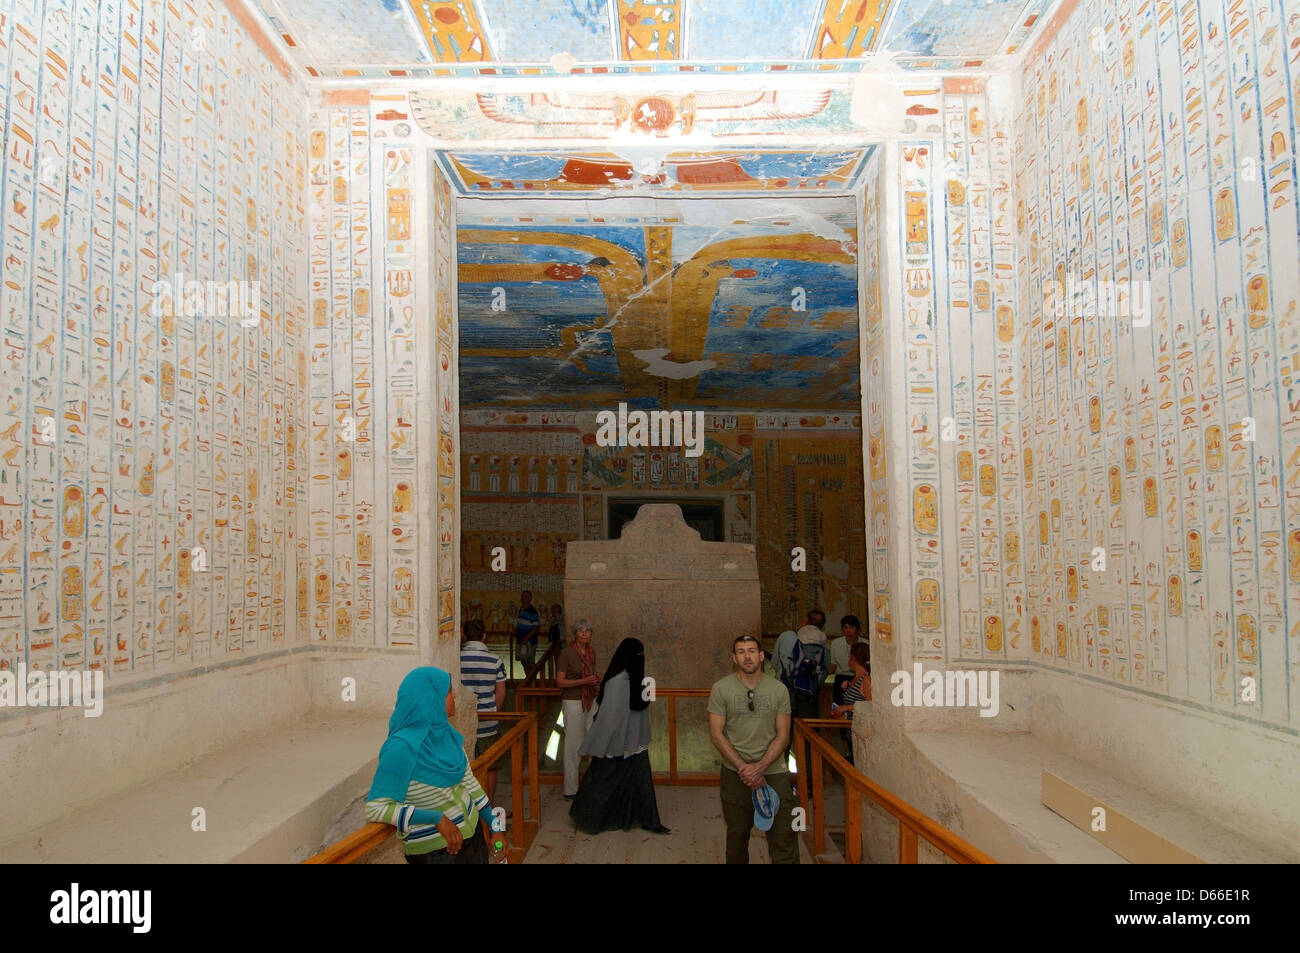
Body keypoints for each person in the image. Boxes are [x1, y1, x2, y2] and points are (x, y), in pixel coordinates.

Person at [365, 667, 499, 864]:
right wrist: (435, 818)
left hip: (473, 839)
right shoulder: (401, 748)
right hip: (435, 852)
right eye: (447, 693)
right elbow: (376, 808)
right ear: (429, 699)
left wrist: (496, 828)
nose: (454, 696)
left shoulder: (447, 736)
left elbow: (471, 786)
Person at [707, 635, 798, 865]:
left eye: (751, 650)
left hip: (774, 772)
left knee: (783, 838)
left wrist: (760, 768)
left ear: (761, 655)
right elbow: (717, 734)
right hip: (736, 773)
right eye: (741, 652)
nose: (747, 656)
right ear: (734, 658)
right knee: (737, 837)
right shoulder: (721, 689)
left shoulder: (779, 690)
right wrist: (744, 768)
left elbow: (783, 735)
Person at [569, 638, 670, 835]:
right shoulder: (617, 682)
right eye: (639, 655)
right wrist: (609, 743)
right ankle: (590, 820)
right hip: (613, 744)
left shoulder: (633, 678)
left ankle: (648, 820)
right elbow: (610, 717)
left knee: (640, 782)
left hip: (633, 742)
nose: (641, 659)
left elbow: (636, 706)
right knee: (603, 782)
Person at [460, 618, 507, 802]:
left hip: (462, 723)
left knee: (466, 768)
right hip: (488, 721)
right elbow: (501, 692)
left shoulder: (456, 659)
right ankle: (488, 807)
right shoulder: (495, 660)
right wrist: (493, 712)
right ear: (484, 636)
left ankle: (468, 810)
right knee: (491, 766)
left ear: (464, 635)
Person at [556, 620, 601, 798]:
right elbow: (560, 682)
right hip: (573, 701)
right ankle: (571, 789)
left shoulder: (591, 652)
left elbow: (590, 675)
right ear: (575, 634)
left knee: (593, 741)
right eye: (580, 631)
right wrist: (583, 681)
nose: (584, 633)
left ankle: (592, 785)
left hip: (590, 699)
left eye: (588, 631)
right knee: (573, 744)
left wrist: (595, 680)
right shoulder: (567, 653)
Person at [784, 610, 829, 720]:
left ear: (805, 621)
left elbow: (787, 662)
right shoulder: (824, 643)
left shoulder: (795, 637)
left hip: (793, 688)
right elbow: (826, 668)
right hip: (812, 691)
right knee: (809, 725)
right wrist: (815, 684)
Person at [831, 641, 871, 763]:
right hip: (850, 729)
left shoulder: (866, 680)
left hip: (859, 729)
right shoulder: (854, 679)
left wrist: (846, 708)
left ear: (853, 658)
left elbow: (869, 704)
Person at [829, 614, 862, 705]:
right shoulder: (836, 643)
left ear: (857, 629)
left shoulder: (864, 644)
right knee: (839, 706)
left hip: (859, 678)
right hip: (841, 677)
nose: (848, 631)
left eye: (852, 627)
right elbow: (833, 665)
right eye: (845, 627)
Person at [515, 590, 541, 662]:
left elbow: (535, 628)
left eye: (526, 596)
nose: (523, 598)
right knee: (523, 662)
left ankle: (533, 673)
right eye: (522, 596)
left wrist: (525, 639)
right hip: (521, 640)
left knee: (529, 662)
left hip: (529, 641)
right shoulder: (521, 609)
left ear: (530, 598)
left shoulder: (532, 611)